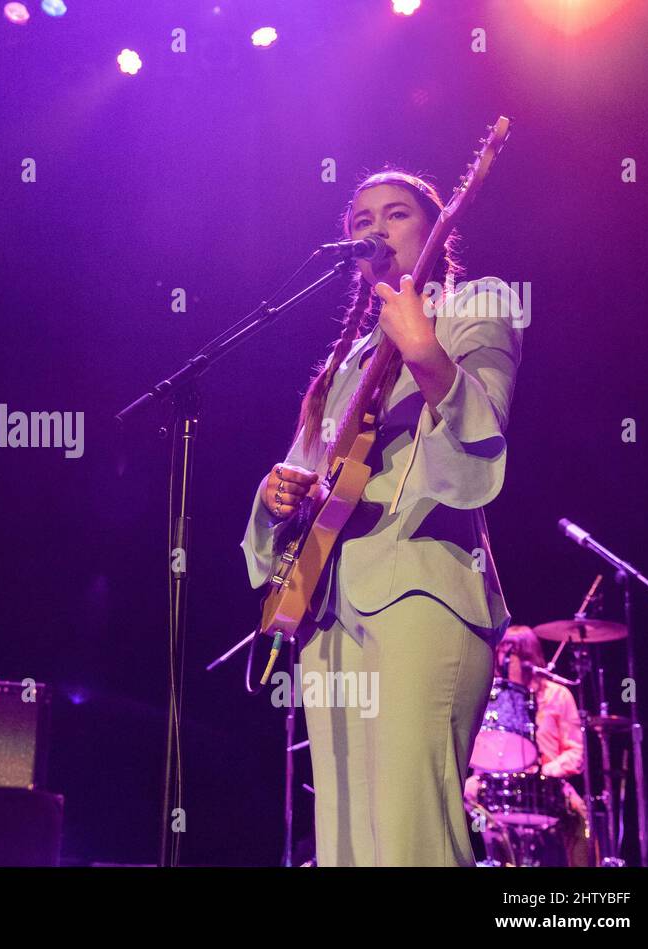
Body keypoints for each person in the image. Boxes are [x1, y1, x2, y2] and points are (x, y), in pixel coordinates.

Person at [241, 169, 524, 866]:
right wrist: (275, 495)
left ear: (437, 231)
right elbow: (303, 479)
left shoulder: (476, 305)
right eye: (361, 219)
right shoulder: (347, 363)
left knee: (408, 839)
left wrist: (425, 351)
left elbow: (481, 438)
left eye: (395, 215)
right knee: (344, 845)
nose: (375, 229)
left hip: (423, 595)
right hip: (327, 610)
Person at [465, 625, 592, 866]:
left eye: (512, 653)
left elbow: (576, 753)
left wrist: (544, 773)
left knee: (579, 814)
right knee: (464, 791)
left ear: (529, 658)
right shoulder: (492, 695)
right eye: (501, 652)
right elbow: (481, 746)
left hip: (547, 783)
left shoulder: (558, 695)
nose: (505, 659)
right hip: (498, 783)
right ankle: (494, 857)